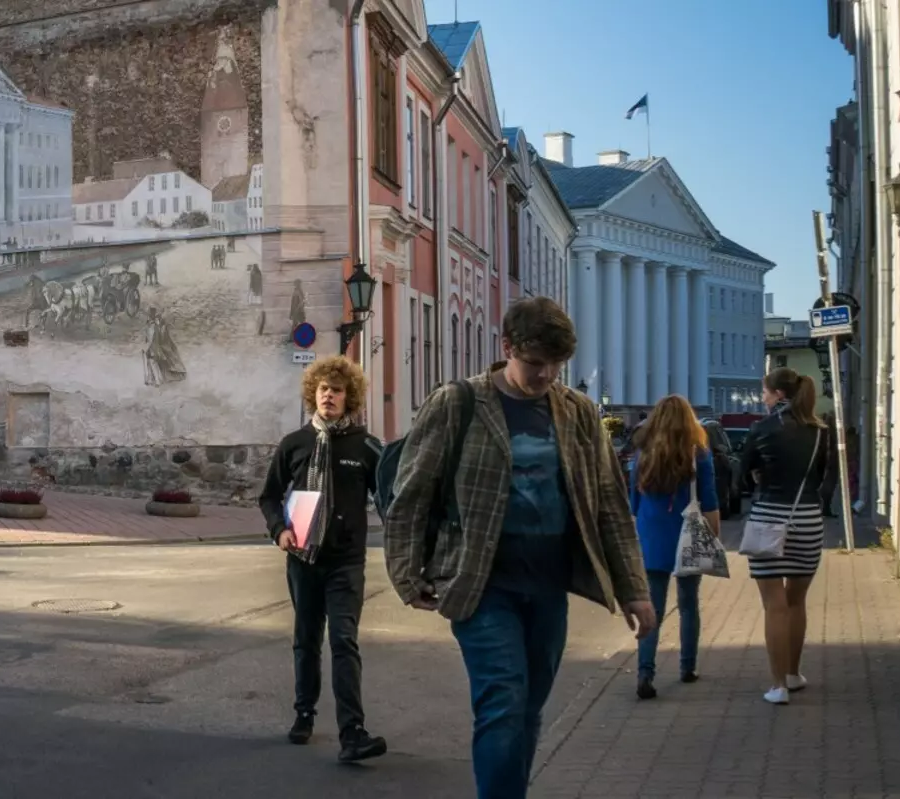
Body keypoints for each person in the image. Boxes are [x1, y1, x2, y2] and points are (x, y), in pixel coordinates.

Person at [385, 296, 655, 799]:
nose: (547, 375)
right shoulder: (459, 403)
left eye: (557, 365)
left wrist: (634, 589)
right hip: (480, 583)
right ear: (506, 347)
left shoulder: (575, 412)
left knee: (528, 708)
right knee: (504, 703)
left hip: (548, 587)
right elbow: (411, 494)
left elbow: (611, 506)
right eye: (535, 363)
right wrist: (406, 573)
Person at [257, 355, 387, 763]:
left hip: (346, 560)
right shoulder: (294, 444)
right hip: (302, 558)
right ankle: (304, 713)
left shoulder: (366, 447)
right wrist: (279, 529)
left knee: (344, 640)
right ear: (313, 394)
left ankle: (353, 733)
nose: (329, 395)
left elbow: (388, 498)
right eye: (323, 389)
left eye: (337, 390)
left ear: (350, 398)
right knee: (306, 640)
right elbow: (268, 496)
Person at [740, 367, 830, 705]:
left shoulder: (761, 429)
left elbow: (742, 479)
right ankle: (793, 673)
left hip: (768, 518)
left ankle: (777, 686)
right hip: (807, 518)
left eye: (765, 392)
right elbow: (821, 477)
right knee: (796, 601)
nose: (762, 398)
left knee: (773, 605)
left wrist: (759, 480)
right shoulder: (820, 431)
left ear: (778, 394)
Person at [627, 395, 722, 700]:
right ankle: (687, 667)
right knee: (688, 605)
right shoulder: (699, 455)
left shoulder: (642, 455)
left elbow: (634, 502)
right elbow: (709, 503)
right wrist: (714, 539)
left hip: (651, 537)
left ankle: (645, 672)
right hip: (687, 536)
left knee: (650, 608)